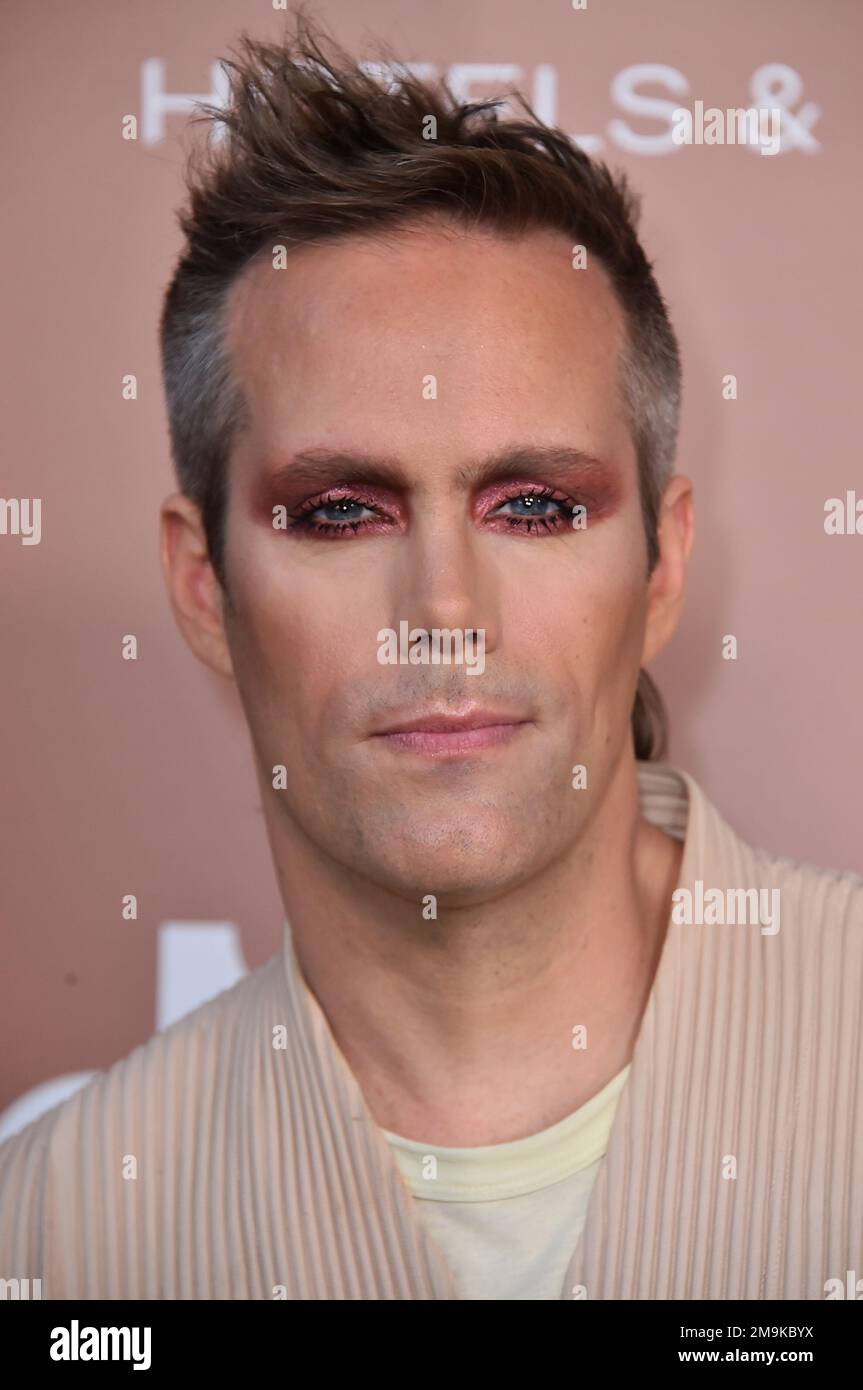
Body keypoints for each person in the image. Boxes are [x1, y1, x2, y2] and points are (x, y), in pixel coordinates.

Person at [1, 13, 860, 1301]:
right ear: (200, 587)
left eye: (536, 507)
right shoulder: (56, 1241)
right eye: (341, 513)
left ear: (664, 568)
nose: (444, 608)